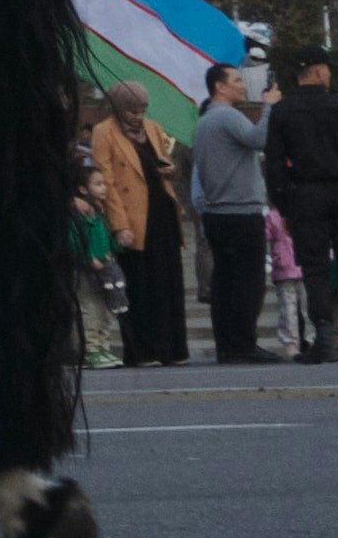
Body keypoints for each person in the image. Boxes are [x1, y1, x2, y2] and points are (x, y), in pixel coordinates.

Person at [262, 50, 338, 364]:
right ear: (318, 72)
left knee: (313, 267)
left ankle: (324, 335)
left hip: (305, 193)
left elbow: (274, 163)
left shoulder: (284, 111)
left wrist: (284, 205)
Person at [186, 60, 274, 363]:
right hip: (239, 210)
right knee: (247, 281)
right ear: (219, 86)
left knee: (224, 281)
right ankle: (243, 343)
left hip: (216, 212)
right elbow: (259, 139)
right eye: (236, 80)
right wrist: (270, 107)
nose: (242, 84)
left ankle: (227, 344)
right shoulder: (227, 116)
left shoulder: (206, 120)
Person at [99, 92, 187, 368]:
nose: (139, 117)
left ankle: (173, 349)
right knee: (140, 283)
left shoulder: (153, 128)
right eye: (132, 111)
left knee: (168, 280)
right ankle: (143, 350)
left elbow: (165, 163)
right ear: (119, 108)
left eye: (143, 110)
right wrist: (119, 225)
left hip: (161, 212)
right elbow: (108, 182)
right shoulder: (104, 132)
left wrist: (170, 170)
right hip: (132, 215)